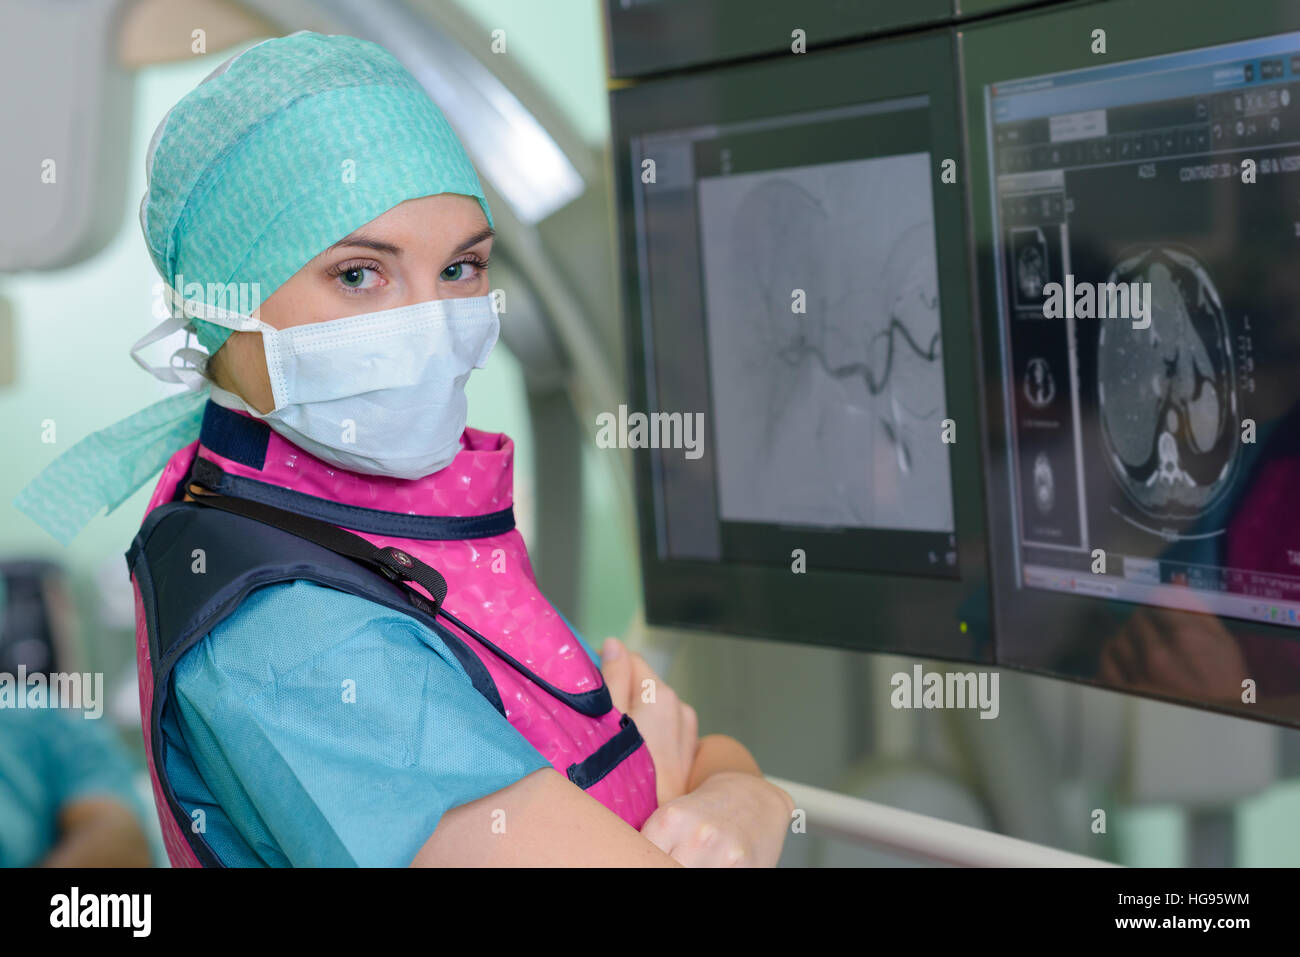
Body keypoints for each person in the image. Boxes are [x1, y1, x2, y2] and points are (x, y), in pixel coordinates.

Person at [14, 31, 792, 867]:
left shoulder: (402, 519)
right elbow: (657, 752)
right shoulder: (297, 636)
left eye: (461, 269)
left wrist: (741, 794)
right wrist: (682, 786)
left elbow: (694, 754)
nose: (430, 331)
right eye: (359, 274)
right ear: (220, 306)